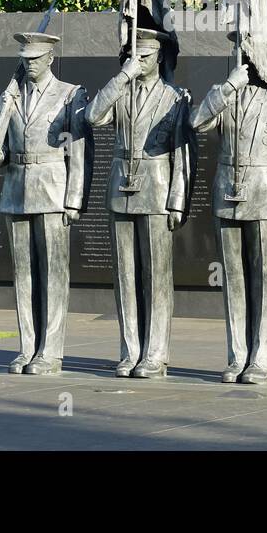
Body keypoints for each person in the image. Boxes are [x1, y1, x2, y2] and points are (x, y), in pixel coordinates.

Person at [192, 33, 267, 384]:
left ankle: (263, 359)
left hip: (264, 193)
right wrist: (228, 86)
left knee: (266, 280)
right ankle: (237, 355)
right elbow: (197, 123)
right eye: (241, 50)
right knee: (234, 281)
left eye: (252, 50)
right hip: (227, 193)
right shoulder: (227, 93)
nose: (247, 56)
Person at [0, 31, 91, 376]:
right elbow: (4, 155)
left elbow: (81, 151)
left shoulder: (71, 94)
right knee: (23, 275)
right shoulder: (9, 98)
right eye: (24, 59)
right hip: (16, 189)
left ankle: (51, 351)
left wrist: (75, 199)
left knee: (54, 275)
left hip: (54, 189)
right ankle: (27, 347)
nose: (29, 64)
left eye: (35, 59)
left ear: (50, 59)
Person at [87, 29, 194, 378]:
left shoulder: (176, 98)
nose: (139, 62)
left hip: (157, 188)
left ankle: (155, 353)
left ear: (159, 57)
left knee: (157, 277)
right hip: (121, 188)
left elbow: (184, 152)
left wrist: (178, 200)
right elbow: (93, 116)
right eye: (135, 56)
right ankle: (129, 350)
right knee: (125, 276)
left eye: (145, 57)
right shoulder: (122, 91)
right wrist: (124, 75)